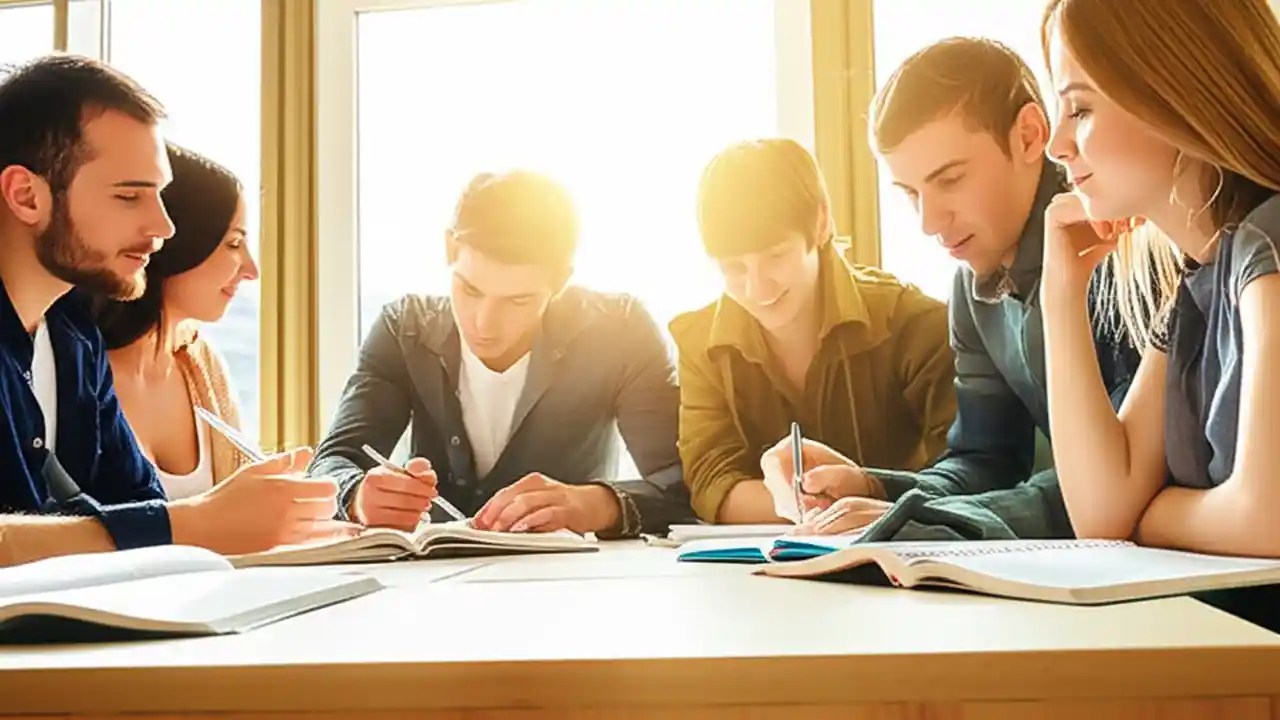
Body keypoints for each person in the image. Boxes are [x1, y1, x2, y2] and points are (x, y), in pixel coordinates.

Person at [764, 37, 1141, 536]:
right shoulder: (970, 291)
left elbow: (1122, 473)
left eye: (950, 180)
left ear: (1030, 136)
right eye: (911, 193)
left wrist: (936, 518)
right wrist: (873, 489)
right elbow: (984, 460)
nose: (928, 221)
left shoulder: (1121, 246)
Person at [0, 54, 352, 567]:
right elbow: (162, 526)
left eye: (160, 195)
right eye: (129, 196)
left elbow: (135, 509)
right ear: (26, 196)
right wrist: (199, 523)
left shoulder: (74, 338)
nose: (164, 226)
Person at [311, 170, 692, 538]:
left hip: (571, 586)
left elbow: (684, 485)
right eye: (470, 290)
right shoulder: (403, 331)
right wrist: (357, 495)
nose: (484, 324)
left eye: (518, 300)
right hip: (426, 587)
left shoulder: (621, 331)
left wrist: (599, 505)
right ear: (449, 249)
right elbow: (330, 464)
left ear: (559, 282)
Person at [1039, 0, 1280, 559]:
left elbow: (1266, 520)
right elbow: (1102, 512)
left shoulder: (1266, 249)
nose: (1057, 144)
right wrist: (1061, 296)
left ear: (1172, 95)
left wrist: (1155, 516)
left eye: (1079, 109)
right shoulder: (1200, 279)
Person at [670, 138, 955, 524]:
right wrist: (802, 505)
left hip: (910, 559)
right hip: (767, 567)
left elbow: (964, 472)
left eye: (775, 257)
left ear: (821, 224)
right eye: (734, 268)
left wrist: (866, 494)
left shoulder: (913, 324)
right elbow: (710, 481)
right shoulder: (699, 342)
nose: (757, 289)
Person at [94, 143, 259, 498]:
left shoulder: (202, 365)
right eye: (233, 244)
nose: (251, 270)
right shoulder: (75, 367)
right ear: (177, 240)